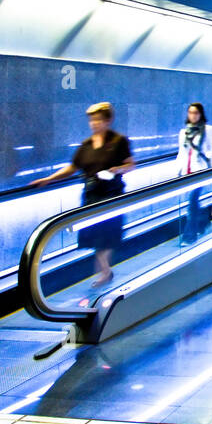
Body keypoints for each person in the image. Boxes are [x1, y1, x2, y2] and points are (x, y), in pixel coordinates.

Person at [31, 102, 135, 286]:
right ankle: (105, 271)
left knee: (106, 235)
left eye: (98, 120)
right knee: (96, 236)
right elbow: (73, 167)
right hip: (91, 195)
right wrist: (49, 179)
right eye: (92, 120)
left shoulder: (118, 141)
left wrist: (118, 170)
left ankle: (104, 272)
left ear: (108, 120)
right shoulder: (86, 145)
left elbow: (130, 164)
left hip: (112, 195)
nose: (94, 123)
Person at [176, 102, 212, 243]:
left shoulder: (208, 129)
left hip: (200, 171)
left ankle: (189, 236)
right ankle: (204, 221)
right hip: (187, 170)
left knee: (192, 202)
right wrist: (178, 170)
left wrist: (210, 164)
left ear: (201, 114)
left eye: (196, 113)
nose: (193, 116)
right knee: (193, 202)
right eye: (191, 113)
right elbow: (181, 152)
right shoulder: (183, 132)